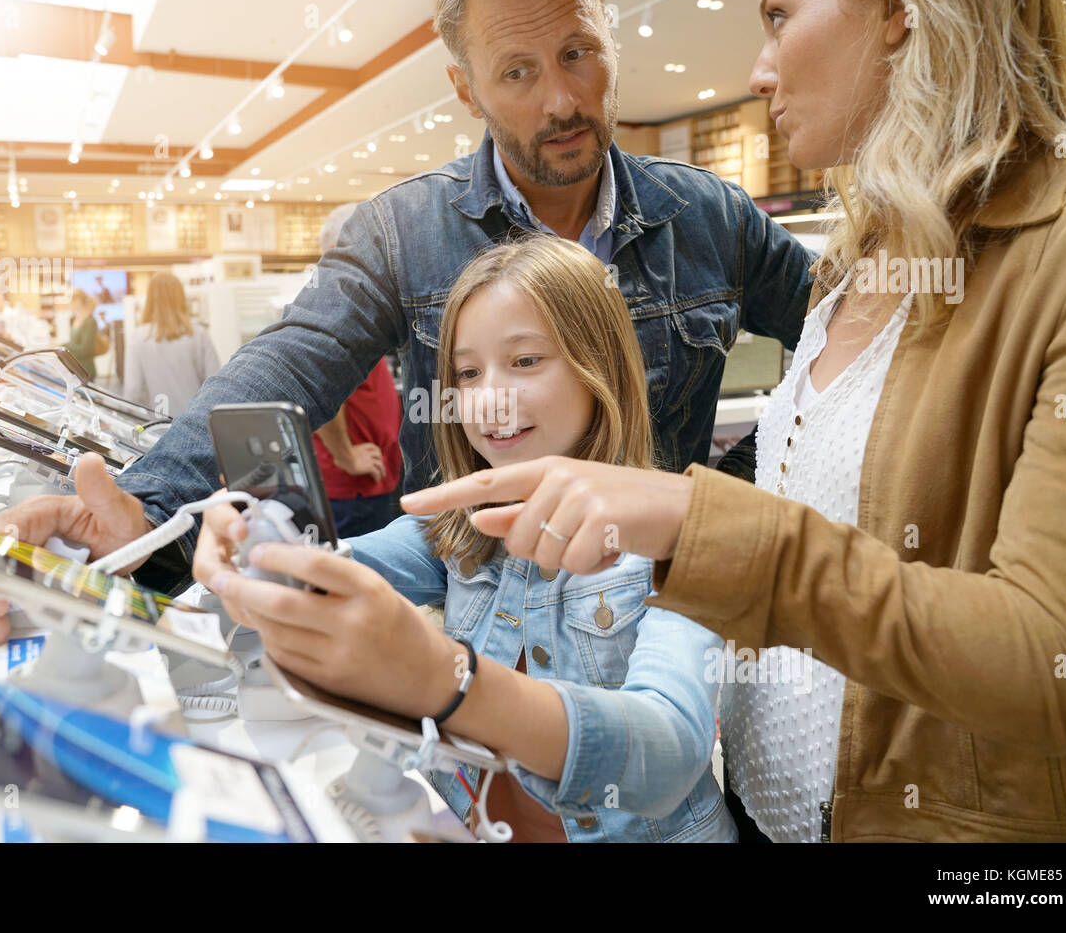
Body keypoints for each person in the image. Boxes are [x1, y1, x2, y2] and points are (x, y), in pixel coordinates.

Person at [402, 0, 1066, 842]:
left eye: (778, 18)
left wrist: (694, 516)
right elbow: (816, 486)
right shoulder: (860, 259)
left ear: (899, 7)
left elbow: (1058, 665)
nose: (759, 70)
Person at [0, 0, 816, 644]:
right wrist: (144, 519)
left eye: (578, 54)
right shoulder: (405, 231)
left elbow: (847, 350)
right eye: (517, 71)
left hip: (671, 637)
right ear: (465, 87)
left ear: (609, 45)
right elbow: (288, 363)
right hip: (476, 641)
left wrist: (712, 499)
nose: (560, 99)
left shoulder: (711, 217)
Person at [197, 234, 736, 842]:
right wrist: (251, 537)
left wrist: (451, 680)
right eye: (468, 373)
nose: (489, 398)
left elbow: (668, 751)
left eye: (525, 361)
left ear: (599, 365)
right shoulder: (464, 525)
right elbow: (332, 563)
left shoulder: (669, 538)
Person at [311, 203, 403, 538]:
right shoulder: (334, 307)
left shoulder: (354, 302)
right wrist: (346, 455)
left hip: (365, 483)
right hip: (350, 486)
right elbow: (322, 387)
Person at [123, 272, 221, 418]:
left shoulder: (139, 337)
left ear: (150, 299)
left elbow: (133, 391)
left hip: (158, 424)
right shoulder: (198, 334)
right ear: (180, 297)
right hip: (195, 422)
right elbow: (215, 384)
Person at [62, 288, 101, 380]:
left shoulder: (90, 321)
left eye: (71, 301)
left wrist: (63, 346)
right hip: (75, 369)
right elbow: (74, 343)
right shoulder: (76, 319)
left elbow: (86, 350)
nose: (69, 304)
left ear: (78, 301)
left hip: (85, 370)